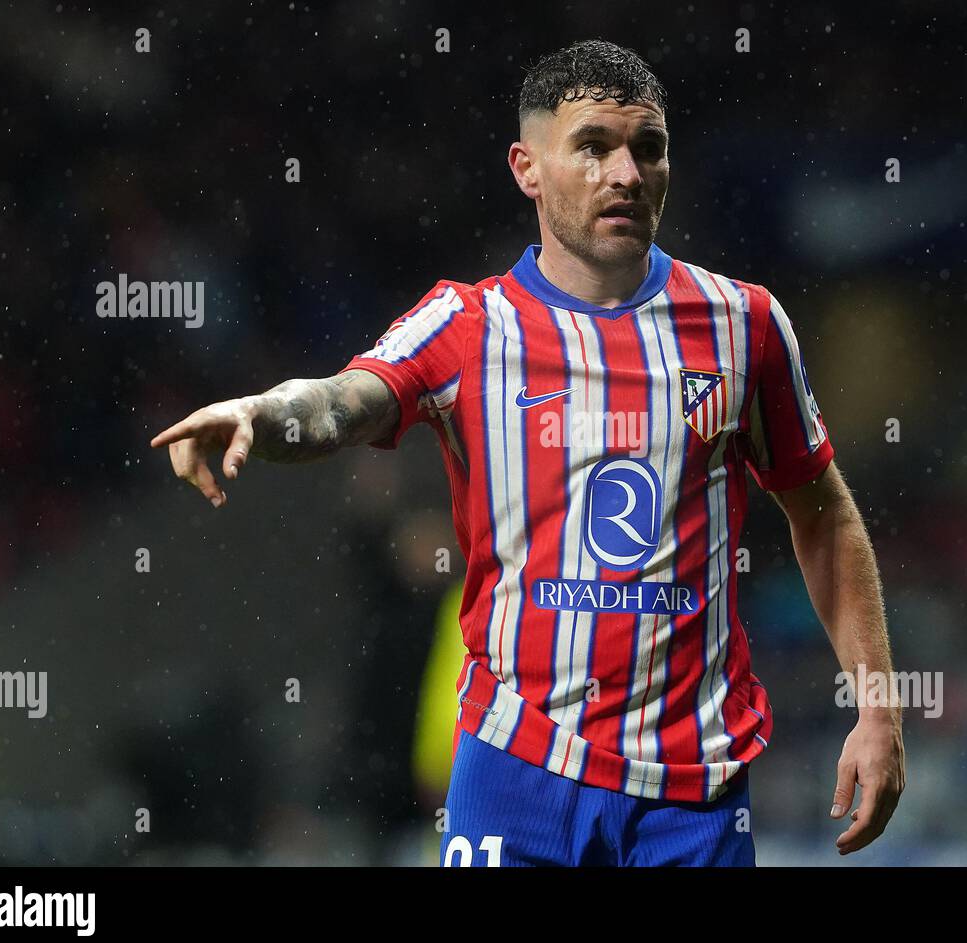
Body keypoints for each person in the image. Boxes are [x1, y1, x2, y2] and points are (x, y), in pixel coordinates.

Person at [150, 39, 905, 867]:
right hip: (517, 770)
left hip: (694, 788)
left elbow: (823, 513)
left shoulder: (744, 324)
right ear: (527, 168)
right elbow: (341, 403)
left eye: (647, 148)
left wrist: (877, 709)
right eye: (592, 146)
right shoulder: (469, 324)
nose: (626, 172)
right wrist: (262, 412)